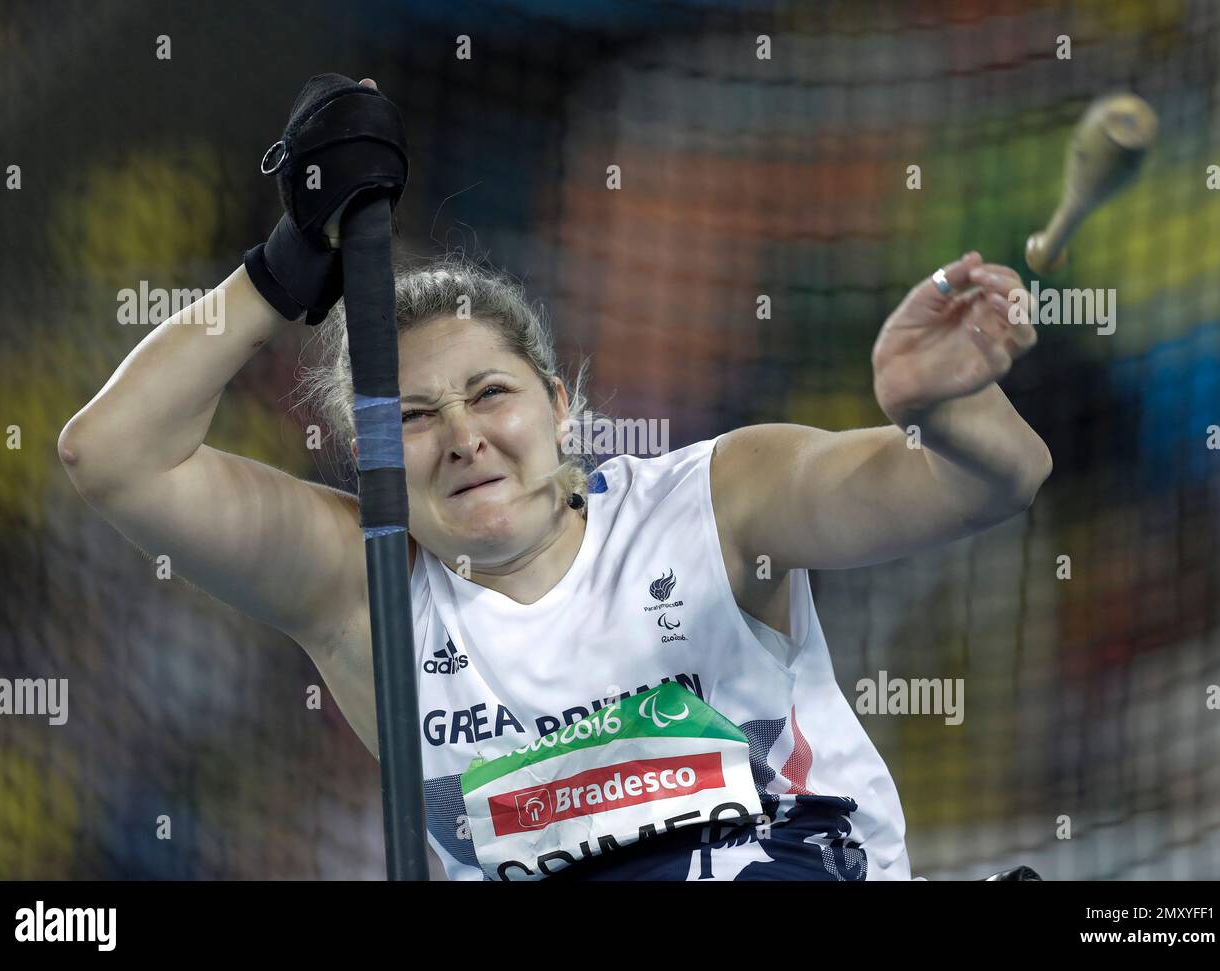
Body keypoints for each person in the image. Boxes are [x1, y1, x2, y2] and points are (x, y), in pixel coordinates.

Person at [58, 76, 1051, 881]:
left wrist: (943, 411)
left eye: (489, 392)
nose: (461, 437)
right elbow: (109, 454)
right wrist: (282, 268)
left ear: (559, 405)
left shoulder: (716, 499)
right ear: (365, 454)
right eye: (409, 415)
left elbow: (989, 484)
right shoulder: (363, 596)